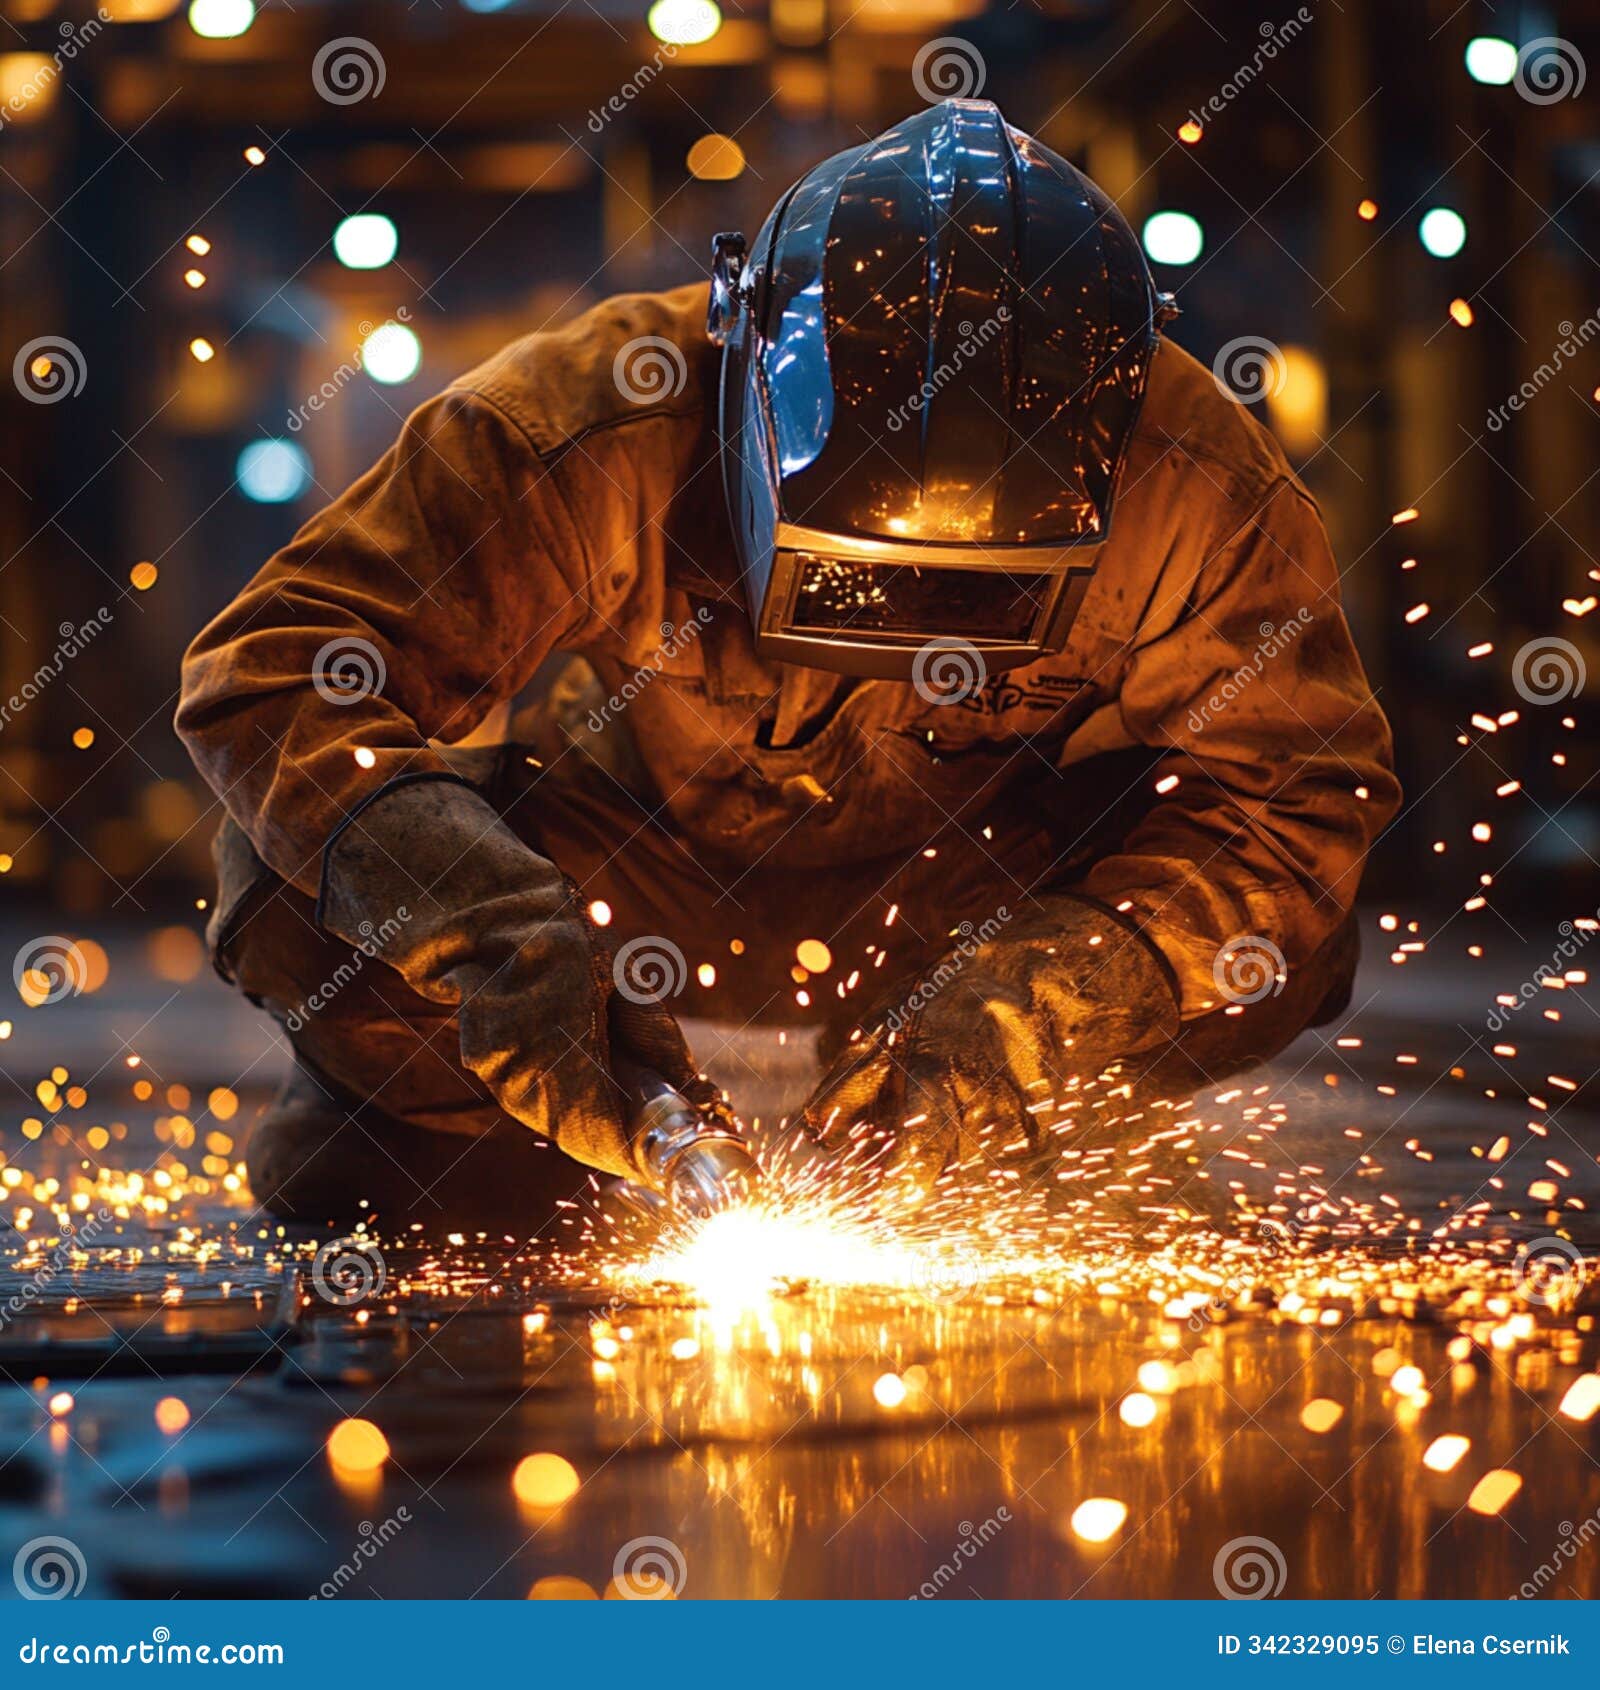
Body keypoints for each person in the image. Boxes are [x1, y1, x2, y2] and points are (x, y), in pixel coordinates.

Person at [176, 98, 1398, 1229]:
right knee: (298, 887)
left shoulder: (1198, 486)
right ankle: (493, 1132)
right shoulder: (573, 428)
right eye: (860, 569)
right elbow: (274, 672)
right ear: (748, 372)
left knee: (1291, 934)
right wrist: (500, 934)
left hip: (959, 903)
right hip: (632, 881)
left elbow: (1297, 796)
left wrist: (1025, 1005)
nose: (912, 624)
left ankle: (1003, 1133)